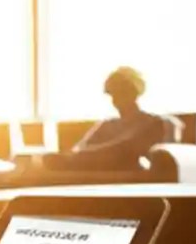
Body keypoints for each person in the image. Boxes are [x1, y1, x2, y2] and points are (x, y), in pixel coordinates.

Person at [42, 66, 176, 172]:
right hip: (96, 172)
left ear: (134, 93)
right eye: (114, 94)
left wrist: (95, 153)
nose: (117, 99)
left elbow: (128, 148)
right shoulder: (107, 124)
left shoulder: (152, 122)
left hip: (130, 175)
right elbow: (80, 149)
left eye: (122, 92)